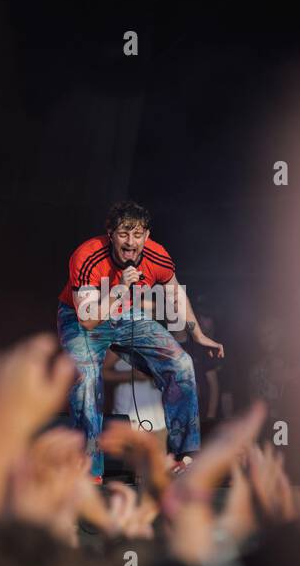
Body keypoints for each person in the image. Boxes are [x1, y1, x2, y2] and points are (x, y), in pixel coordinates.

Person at [57, 201, 223, 482]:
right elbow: (88, 320)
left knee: (181, 363)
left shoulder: (158, 256)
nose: (130, 243)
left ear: (147, 236)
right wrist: (121, 287)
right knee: (85, 379)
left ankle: (184, 455)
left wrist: (198, 335)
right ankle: (89, 471)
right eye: (123, 234)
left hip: (126, 314)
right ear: (110, 233)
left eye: (137, 235)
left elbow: (175, 295)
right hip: (81, 316)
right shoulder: (86, 256)